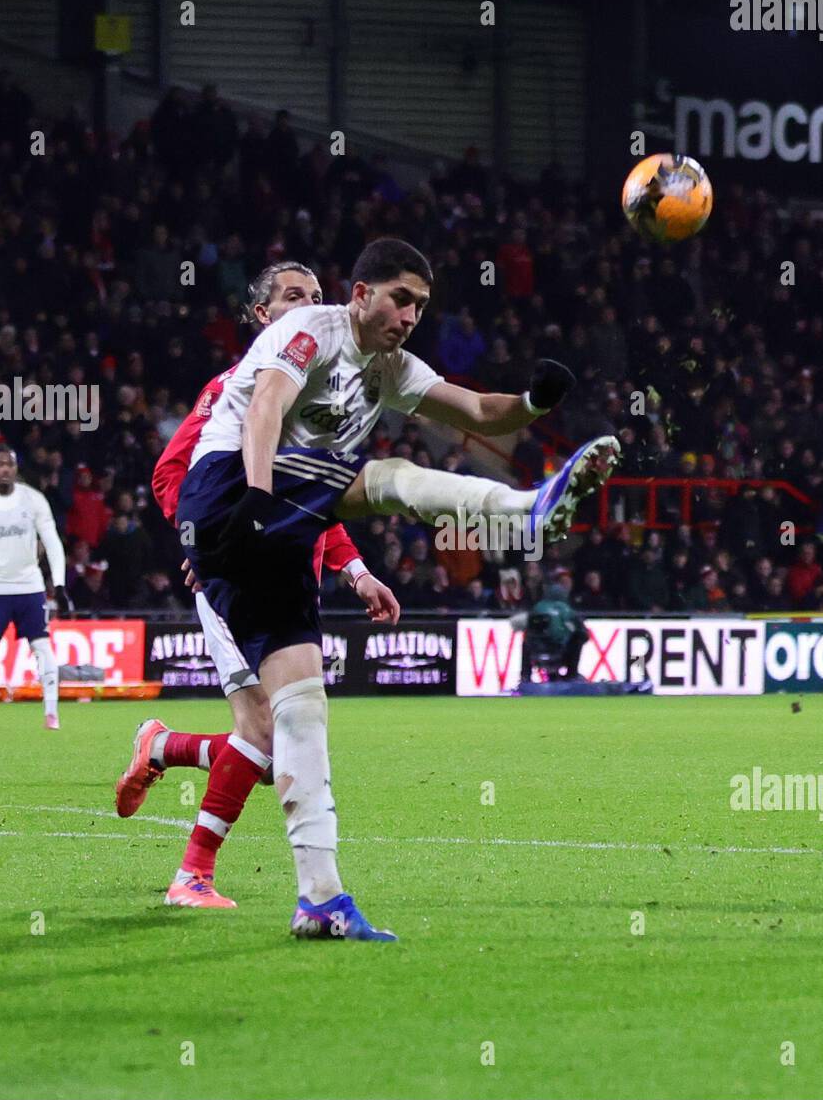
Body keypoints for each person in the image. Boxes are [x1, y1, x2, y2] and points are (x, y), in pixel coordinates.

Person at [136, 237, 618, 936]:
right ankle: (527, 509)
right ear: (359, 294)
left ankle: (321, 899)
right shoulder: (310, 330)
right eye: (400, 298)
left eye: (420, 304)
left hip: (287, 525)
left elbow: (480, 411)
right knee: (387, 477)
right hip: (234, 494)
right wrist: (256, 501)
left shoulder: (388, 366)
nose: (410, 314)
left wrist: (535, 401)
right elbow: (267, 406)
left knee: (300, 710)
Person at [117, 262, 400, 808]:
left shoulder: (321, 407)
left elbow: (318, 504)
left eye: (318, 296)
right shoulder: (232, 389)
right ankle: (195, 873)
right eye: (294, 296)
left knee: (273, 752)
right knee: (270, 737)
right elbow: (170, 473)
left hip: (292, 579)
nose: (311, 305)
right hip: (238, 572)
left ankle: (162, 746)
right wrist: (207, 541)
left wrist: (357, 572)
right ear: (262, 315)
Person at [0, 447, 73, 731]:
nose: (5, 469)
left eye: (9, 464)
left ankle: (51, 714)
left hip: (29, 587)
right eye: (0, 464)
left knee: (42, 646)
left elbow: (52, 542)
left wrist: (58, 584)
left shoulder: (33, 500)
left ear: (15, 468)